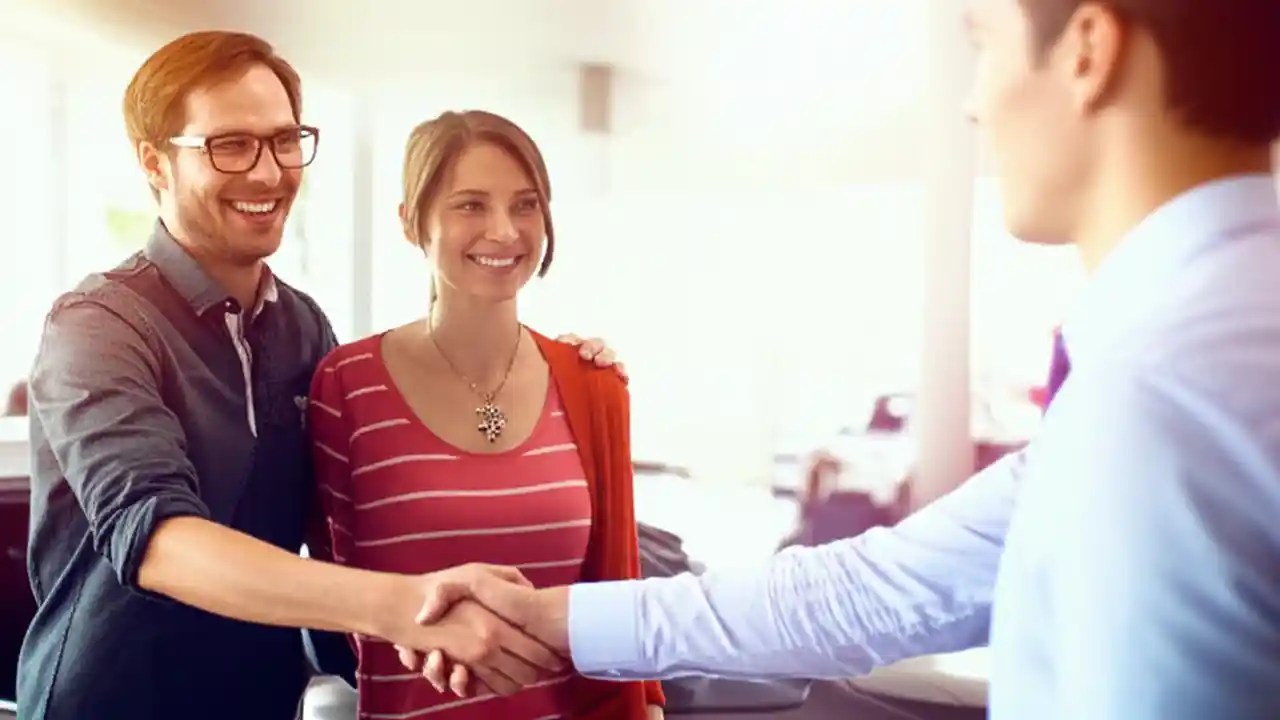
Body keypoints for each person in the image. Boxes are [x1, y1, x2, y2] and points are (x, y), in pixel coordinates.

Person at [413, 1, 1280, 718]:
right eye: (471, 207)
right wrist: (551, 619)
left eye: (982, 44)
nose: (973, 103)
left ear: (1088, 50)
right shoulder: (1185, 353)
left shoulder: (1156, 402)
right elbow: (877, 589)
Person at [17, 31, 622, 720]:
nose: (270, 173)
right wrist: (407, 609)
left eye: (283, 141)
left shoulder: (304, 330)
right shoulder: (96, 326)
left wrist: (563, 374)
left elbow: (354, 527)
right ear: (154, 162)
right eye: (230, 145)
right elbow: (158, 541)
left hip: (265, 704)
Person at [307, 109, 664, 720]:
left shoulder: (593, 384)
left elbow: (620, 603)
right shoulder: (345, 386)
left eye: (525, 206)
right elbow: (339, 607)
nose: (504, 231)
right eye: (470, 205)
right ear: (410, 222)